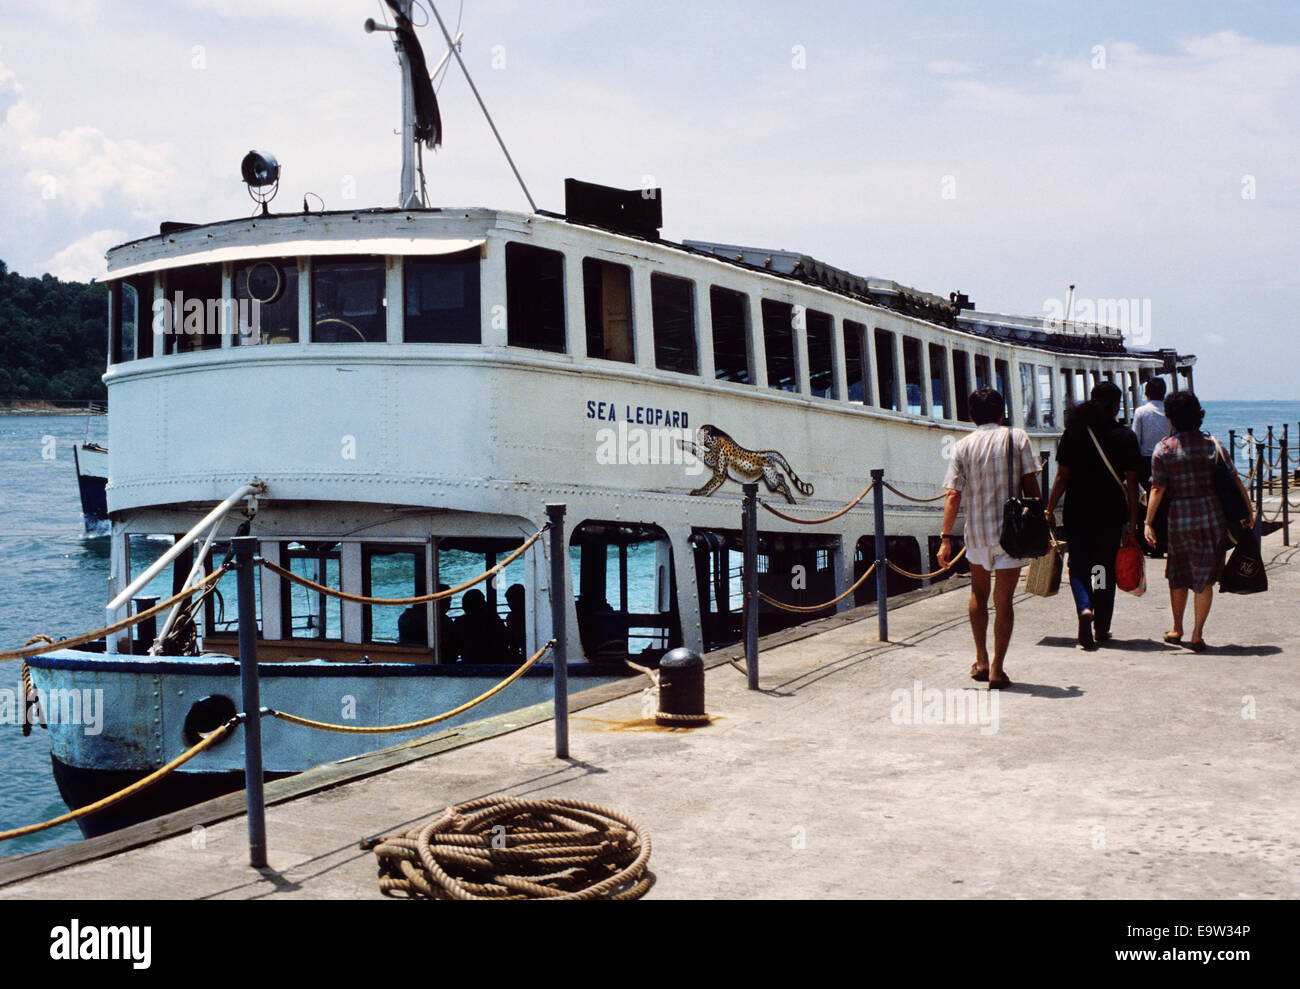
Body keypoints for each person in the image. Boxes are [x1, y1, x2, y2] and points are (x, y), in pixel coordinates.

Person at [938, 387, 1041, 689]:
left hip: (978, 532)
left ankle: (981, 659)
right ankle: (997, 669)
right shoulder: (1017, 437)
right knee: (1004, 600)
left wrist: (946, 538)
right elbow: (1030, 482)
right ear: (1001, 413)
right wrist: (1040, 523)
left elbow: (953, 494)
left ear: (971, 417)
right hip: (1012, 532)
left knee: (978, 594)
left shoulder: (962, 447)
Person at [1144, 391, 1253, 652]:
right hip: (1211, 515)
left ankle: (1176, 628)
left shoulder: (1163, 448)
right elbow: (1235, 479)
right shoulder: (1213, 444)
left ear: (1170, 418)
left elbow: (1157, 489)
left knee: (1178, 573)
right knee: (1204, 577)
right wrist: (1249, 509)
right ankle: (1196, 634)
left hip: (1179, 518)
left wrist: (1148, 522)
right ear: (1198, 414)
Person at [1045, 381, 1141, 649]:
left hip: (1078, 511)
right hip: (1110, 514)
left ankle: (1084, 608)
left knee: (1077, 567)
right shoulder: (1125, 436)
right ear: (1116, 406)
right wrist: (1133, 522)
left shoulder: (1073, 433)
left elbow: (1062, 477)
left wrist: (1049, 508)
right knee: (1101, 568)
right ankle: (1101, 626)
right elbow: (1132, 484)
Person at [1131, 377, 1171, 490]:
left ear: (1146, 393)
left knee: (1150, 493)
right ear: (1163, 393)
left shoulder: (1141, 411)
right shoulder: (1169, 411)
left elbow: (1136, 439)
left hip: (1146, 461)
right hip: (1167, 458)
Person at [505, 583, 527, 660]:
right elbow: (513, 645)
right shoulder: (511, 618)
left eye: (511, 601)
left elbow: (513, 646)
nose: (509, 605)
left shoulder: (512, 618)